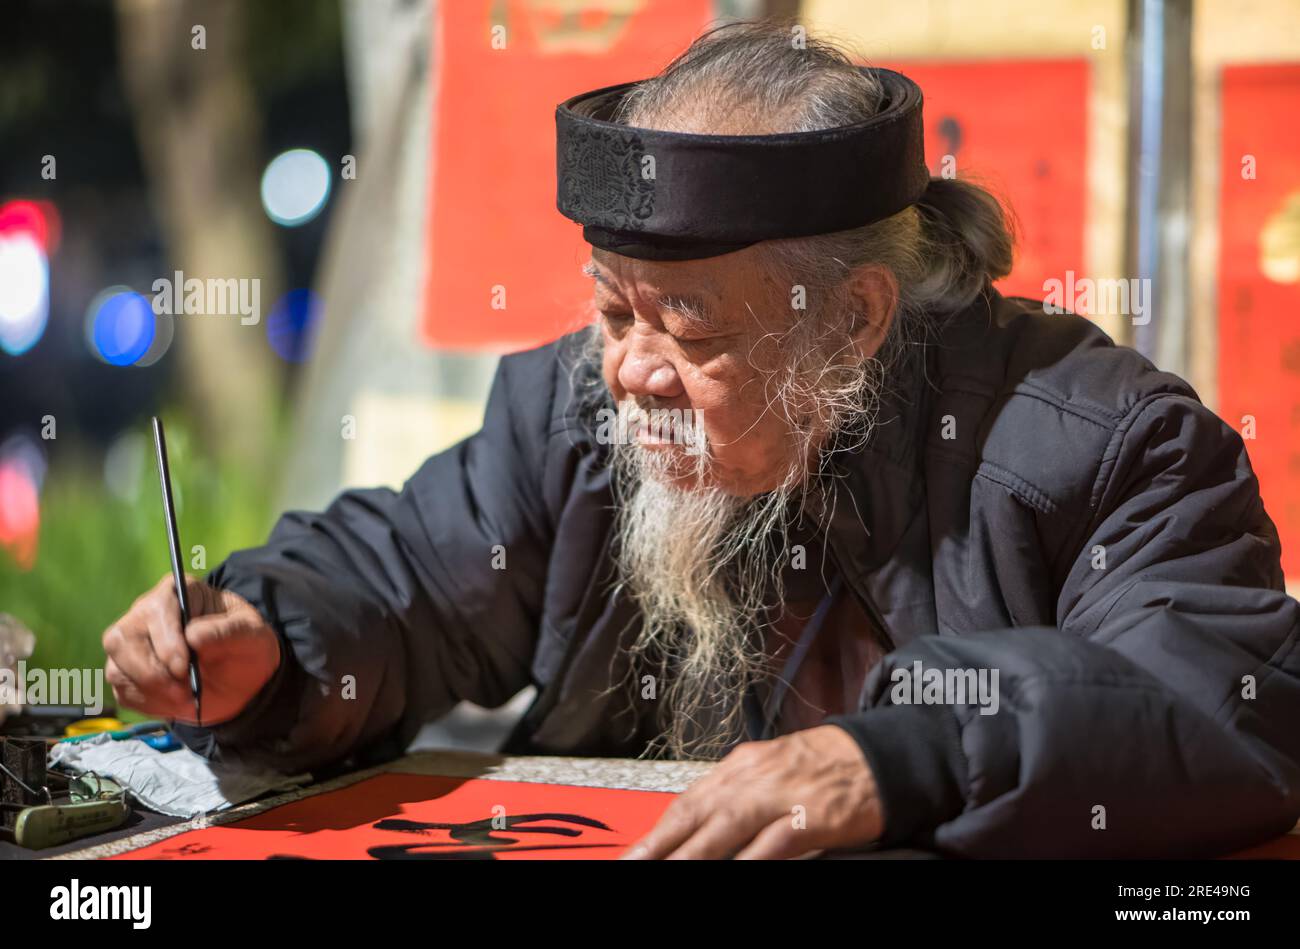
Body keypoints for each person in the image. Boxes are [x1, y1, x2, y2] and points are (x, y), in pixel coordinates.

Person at [102, 21, 1300, 859]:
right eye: (612, 308)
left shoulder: (1105, 448)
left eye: (685, 325)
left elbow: (1218, 698)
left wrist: (910, 753)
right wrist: (271, 637)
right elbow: (413, 579)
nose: (628, 369)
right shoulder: (578, 413)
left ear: (852, 316)